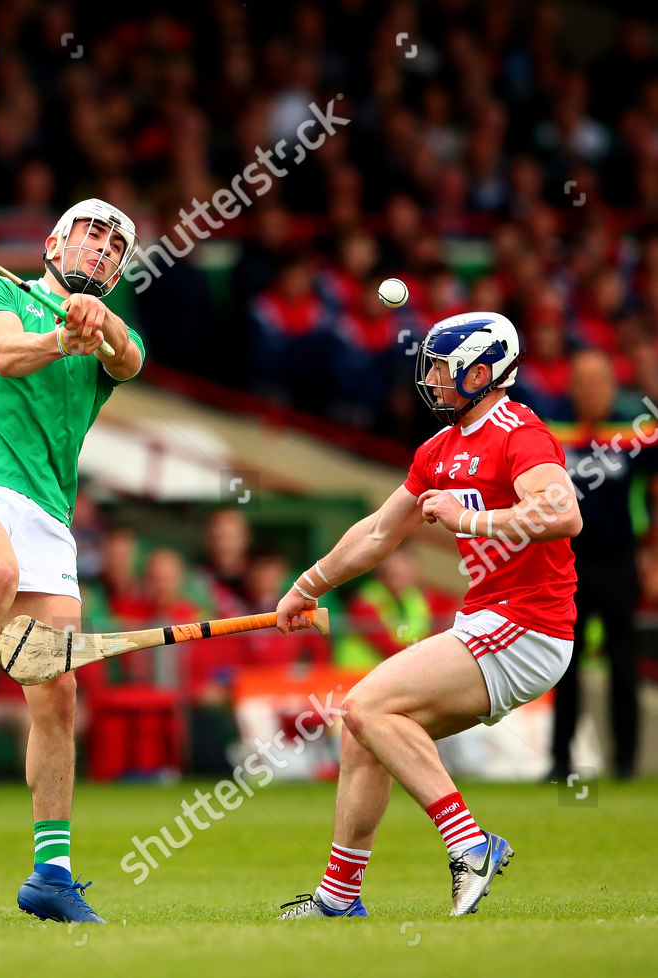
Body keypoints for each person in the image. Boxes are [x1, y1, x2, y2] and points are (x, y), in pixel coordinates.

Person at [273, 311, 580, 919]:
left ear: (484, 372)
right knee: (366, 730)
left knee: (365, 705)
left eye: (444, 370)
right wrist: (308, 585)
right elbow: (380, 532)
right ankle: (339, 900)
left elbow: (564, 513)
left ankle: (472, 845)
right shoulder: (438, 449)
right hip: (489, 621)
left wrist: (471, 521)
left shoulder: (521, 432)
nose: (433, 381)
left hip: (531, 624)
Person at [0, 198, 144, 923]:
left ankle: (52, 873)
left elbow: (129, 360)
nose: (103, 249)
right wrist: (64, 338)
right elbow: (8, 355)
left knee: (57, 695)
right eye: (92, 233)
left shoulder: (112, 327)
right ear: (54, 241)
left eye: (117, 245)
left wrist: (97, 326)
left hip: (48, 515)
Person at [552, 349, 648, 780]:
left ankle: (625, 763)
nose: (591, 389)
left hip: (618, 563)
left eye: (599, 381)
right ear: (572, 386)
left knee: (623, 665)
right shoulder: (553, 432)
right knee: (562, 664)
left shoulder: (636, 434)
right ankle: (560, 763)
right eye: (582, 381)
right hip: (565, 564)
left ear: (612, 385)